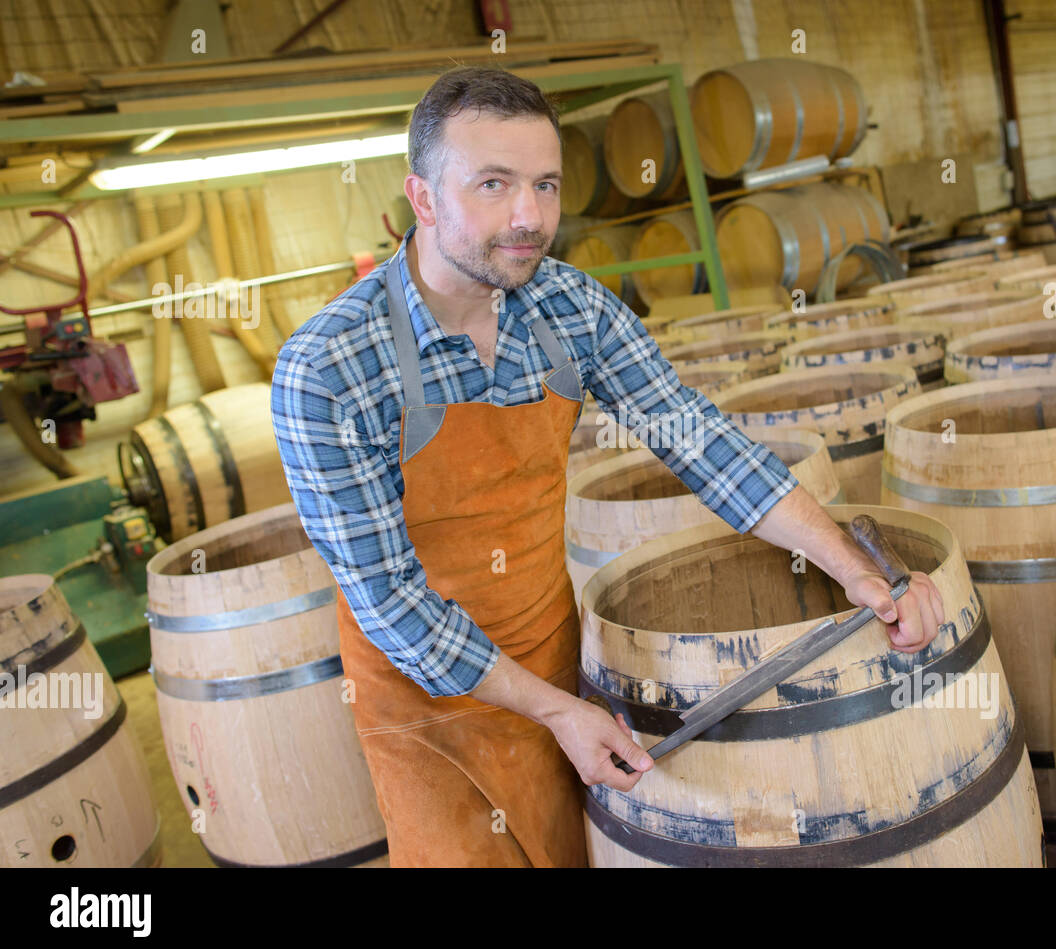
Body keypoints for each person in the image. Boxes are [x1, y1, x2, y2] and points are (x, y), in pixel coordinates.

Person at [270, 65, 944, 868]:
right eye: (493, 184)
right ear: (422, 199)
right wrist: (553, 713)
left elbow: (701, 442)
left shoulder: (568, 306)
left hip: (560, 658)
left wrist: (853, 566)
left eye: (546, 184)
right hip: (428, 707)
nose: (529, 217)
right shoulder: (328, 367)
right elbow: (390, 604)